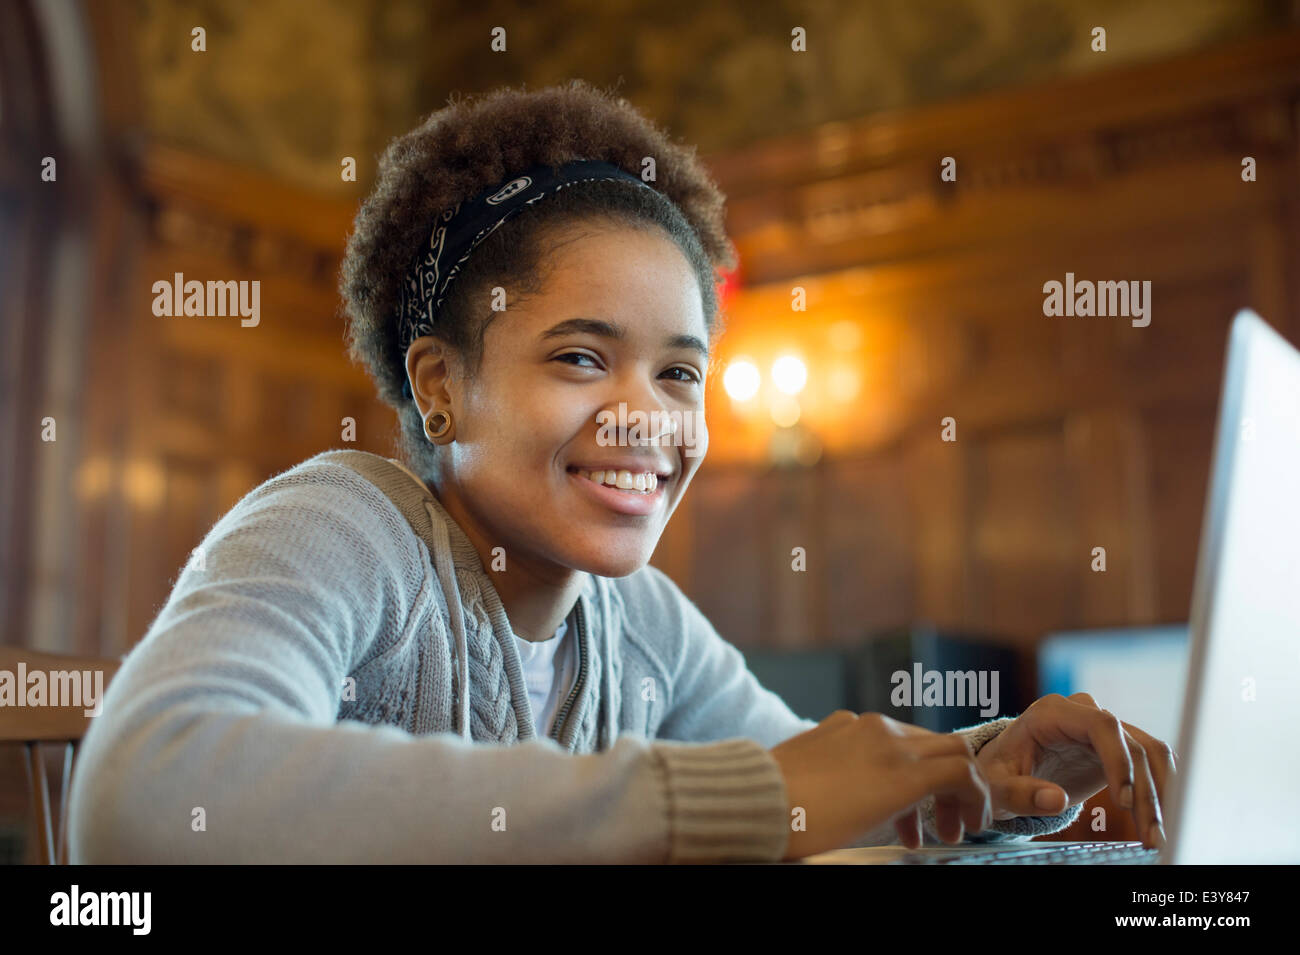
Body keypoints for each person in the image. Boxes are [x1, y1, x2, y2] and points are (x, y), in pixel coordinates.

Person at [68, 80, 1174, 863]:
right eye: (582, 357)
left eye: (679, 373)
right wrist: (725, 804)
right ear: (440, 385)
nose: (646, 416)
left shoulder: (634, 617)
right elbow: (148, 792)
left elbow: (811, 787)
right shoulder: (344, 524)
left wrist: (990, 772)